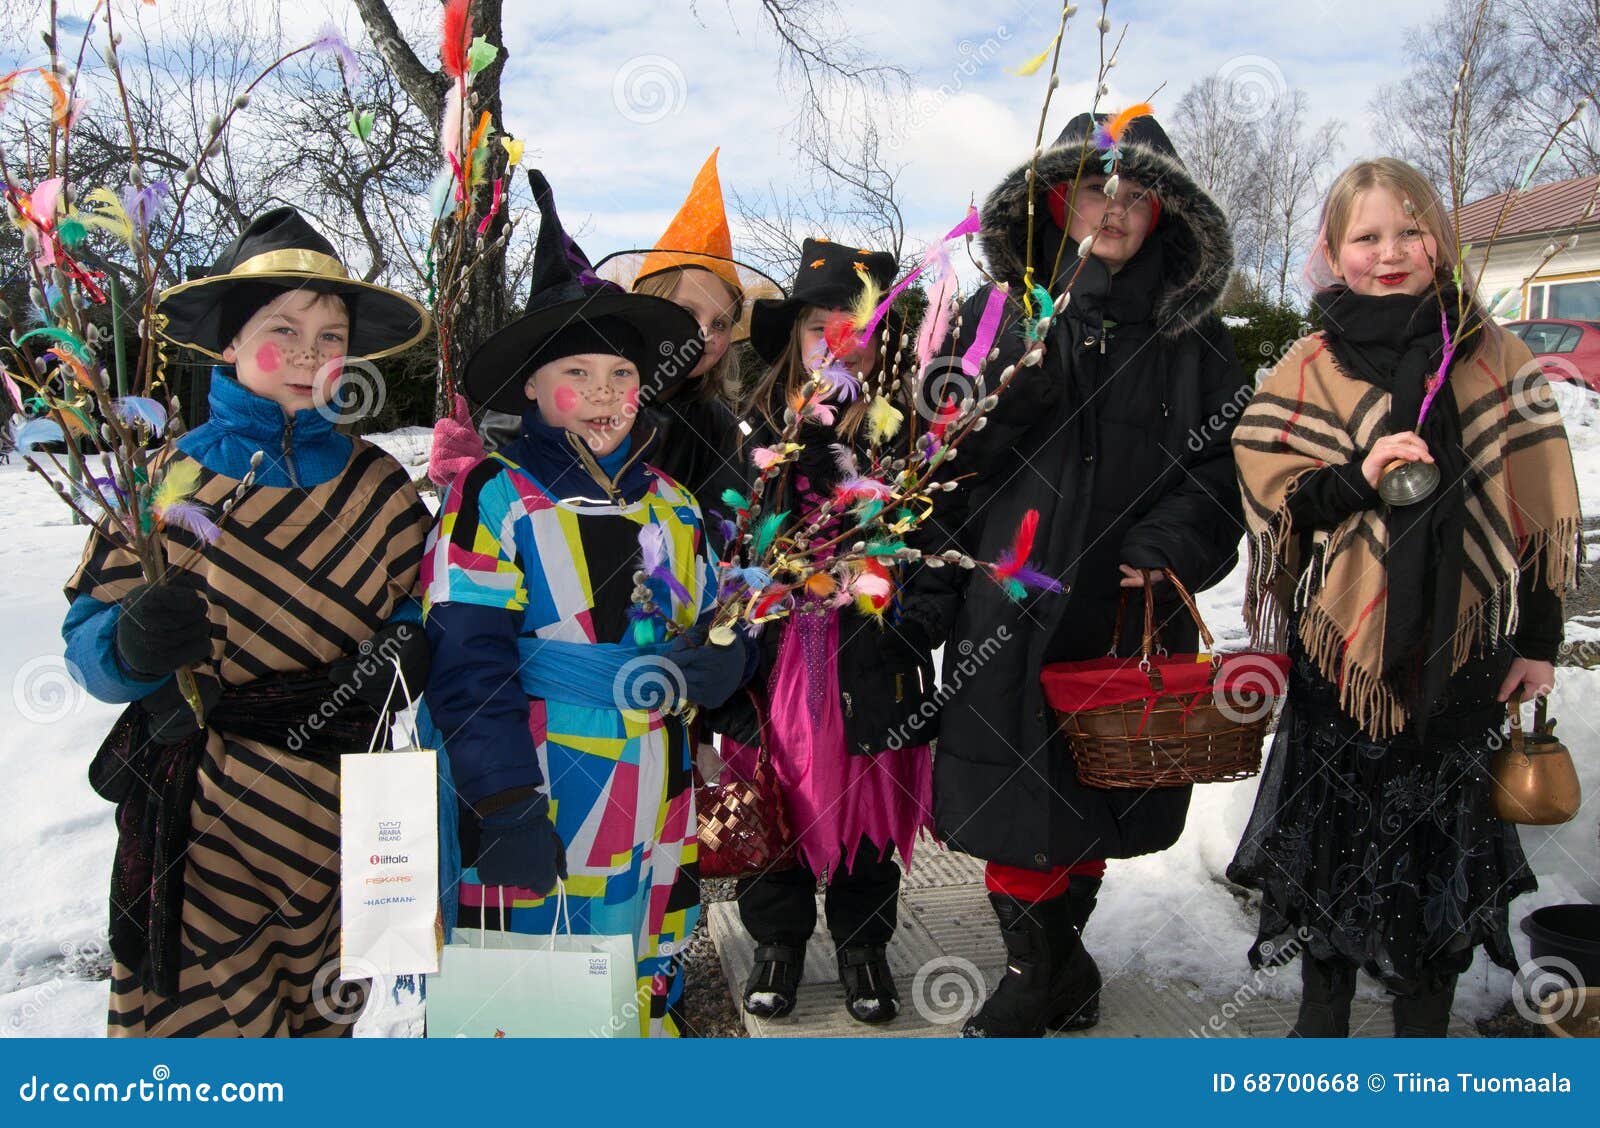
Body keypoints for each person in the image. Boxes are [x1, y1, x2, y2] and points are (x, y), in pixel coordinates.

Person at [902, 111, 1246, 1036]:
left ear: (1165, 213)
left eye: (1139, 196)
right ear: (1060, 199)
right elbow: (940, 455)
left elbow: (1222, 475)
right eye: (1099, 189)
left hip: (1121, 609)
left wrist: (1168, 544)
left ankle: (1058, 965)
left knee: (1095, 788)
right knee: (1017, 798)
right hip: (1007, 603)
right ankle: (1037, 971)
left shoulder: (1197, 340)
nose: (1117, 210)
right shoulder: (1000, 315)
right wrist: (1002, 403)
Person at [1227, 157, 1580, 1037]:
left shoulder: (1497, 354)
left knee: (1438, 856)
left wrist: (1538, 641)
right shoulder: (1307, 366)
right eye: (1367, 237)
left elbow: (1535, 519)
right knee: (1334, 854)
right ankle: (1323, 1027)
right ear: (1332, 251)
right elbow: (1283, 503)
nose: (1391, 252)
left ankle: (1421, 1033)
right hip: (1341, 665)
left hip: (1462, 663)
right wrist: (1360, 475)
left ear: (1442, 241)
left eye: (1410, 231)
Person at [63, 207, 434, 1036]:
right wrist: (126, 645)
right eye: (284, 328)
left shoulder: (380, 487)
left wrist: (410, 647)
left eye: (331, 334)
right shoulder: (166, 478)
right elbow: (84, 647)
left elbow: (428, 601)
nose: (311, 353)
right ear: (229, 345)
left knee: (322, 1020)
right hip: (206, 809)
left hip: (340, 805)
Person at [420, 171, 754, 1038]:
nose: (605, 393)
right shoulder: (497, 498)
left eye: (621, 374)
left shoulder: (675, 505)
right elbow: (465, 659)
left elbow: (714, 620)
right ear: (531, 387)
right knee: (543, 1001)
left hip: (658, 792)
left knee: (637, 976)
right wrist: (501, 801)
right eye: (578, 371)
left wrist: (728, 660)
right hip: (546, 788)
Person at [716, 237, 936, 1025]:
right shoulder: (748, 436)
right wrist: (763, 581)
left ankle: (864, 945)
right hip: (771, 664)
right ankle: (776, 941)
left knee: (865, 805)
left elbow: (941, 552)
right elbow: (715, 544)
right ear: (797, 338)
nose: (837, 339)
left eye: (854, 323)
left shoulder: (908, 438)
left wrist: (885, 585)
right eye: (820, 326)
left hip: (870, 664)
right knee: (769, 802)